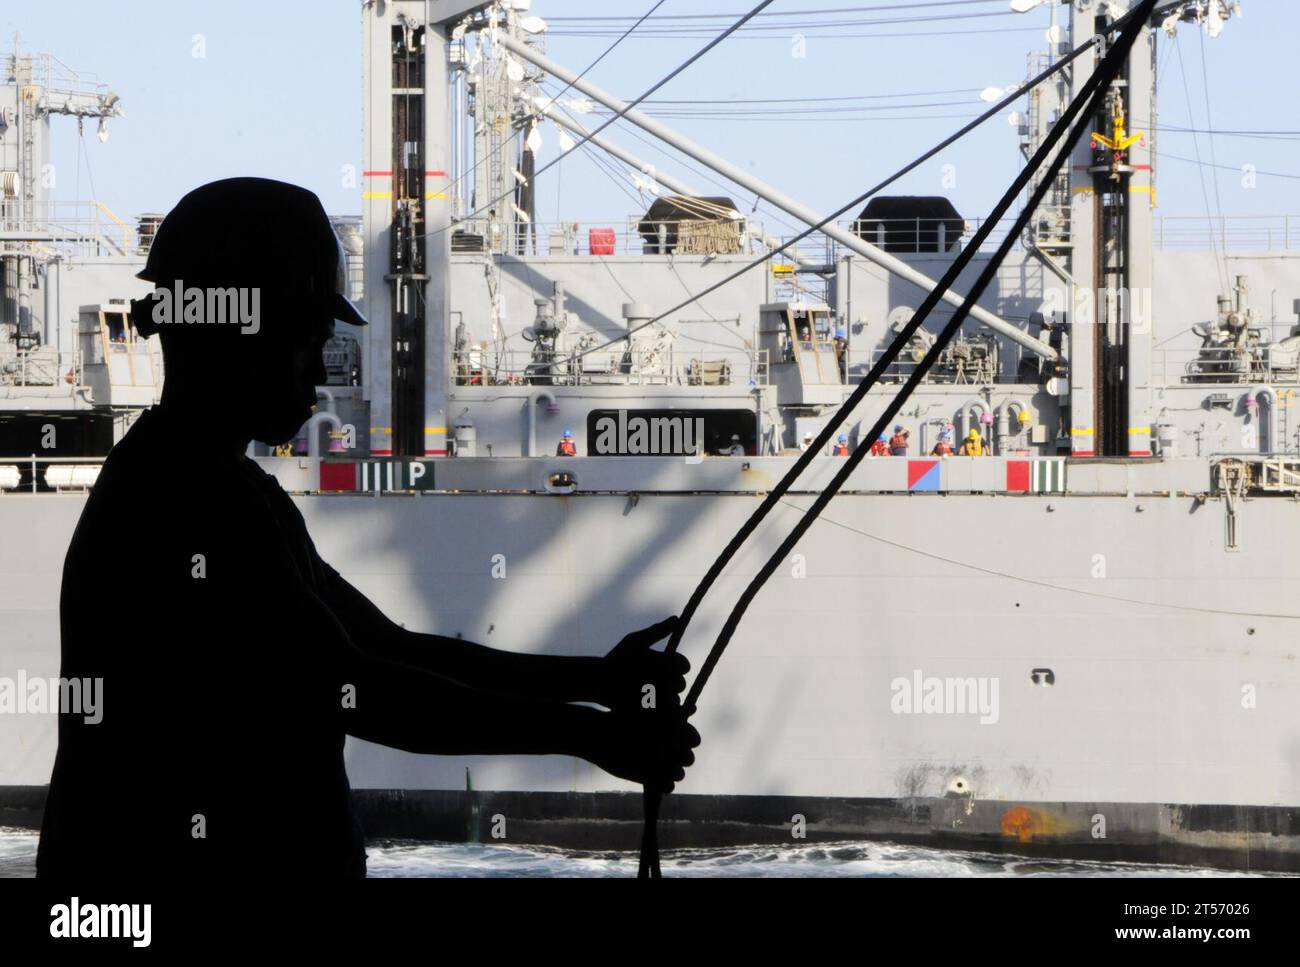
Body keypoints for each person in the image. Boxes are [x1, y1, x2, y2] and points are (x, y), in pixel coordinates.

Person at [36, 178, 698, 881]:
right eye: (307, 338)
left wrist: (599, 681)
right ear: (244, 330)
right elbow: (366, 690)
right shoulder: (192, 504)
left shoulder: (207, 487)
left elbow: (385, 649)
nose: (318, 373)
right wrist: (593, 732)